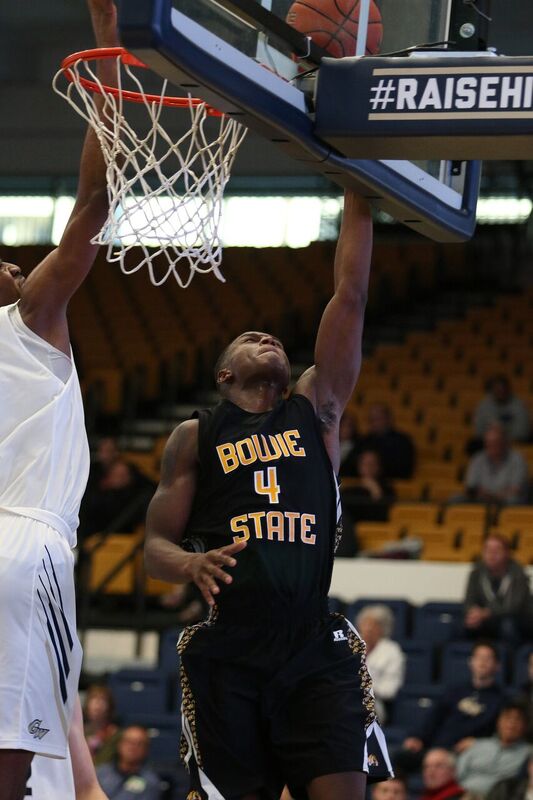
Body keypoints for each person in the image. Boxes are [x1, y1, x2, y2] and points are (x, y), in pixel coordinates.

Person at [144, 192, 393, 799]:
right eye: (249, 337)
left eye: (274, 338)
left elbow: (351, 298)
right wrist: (190, 562)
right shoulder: (195, 437)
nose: (267, 338)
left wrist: (358, 190)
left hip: (312, 642)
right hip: (230, 648)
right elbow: (153, 549)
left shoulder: (317, 413)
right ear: (223, 374)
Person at [0, 1, 118, 797]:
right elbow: (93, 209)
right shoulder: (29, 317)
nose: (15, 264)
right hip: (25, 546)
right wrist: (113, 36)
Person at [395, 642, 505, 773]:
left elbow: (499, 735)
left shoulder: (500, 700)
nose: (482, 662)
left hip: (465, 755)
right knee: (398, 758)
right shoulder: (455, 691)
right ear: (471, 662)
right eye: (478, 657)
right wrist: (418, 737)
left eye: (488, 658)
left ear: (497, 666)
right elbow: (434, 718)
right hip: (436, 748)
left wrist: (477, 744)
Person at [463, 534, 533, 642]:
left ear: (507, 553)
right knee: (464, 623)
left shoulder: (518, 574)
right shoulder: (476, 573)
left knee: (507, 625)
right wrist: (473, 612)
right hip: (486, 619)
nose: (492, 554)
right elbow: (469, 600)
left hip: (516, 620)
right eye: (488, 550)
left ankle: (509, 657)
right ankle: (474, 657)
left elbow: (513, 607)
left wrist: (486, 613)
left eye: (497, 550)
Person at [456, 703, 532, 797]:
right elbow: (458, 774)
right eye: (507, 718)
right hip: (463, 794)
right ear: (498, 721)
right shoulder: (477, 745)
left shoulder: (528, 753)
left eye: (518, 719)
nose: (511, 724)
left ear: (526, 725)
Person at [356, 604, 405, 723]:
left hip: (372, 704)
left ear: (383, 628)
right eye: (365, 623)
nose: (368, 628)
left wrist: (364, 687)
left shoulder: (392, 650)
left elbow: (390, 690)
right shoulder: (351, 645)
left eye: (374, 625)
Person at [463, 424, 529, 506]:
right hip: (482, 499)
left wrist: (495, 497)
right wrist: (483, 494)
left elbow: (516, 489)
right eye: (489, 443)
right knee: (457, 499)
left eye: (496, 442)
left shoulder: (517, 460)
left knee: (513, 500)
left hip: (506, 501)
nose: (492, 446)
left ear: (504, 442)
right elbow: (471, 487)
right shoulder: (477, 459)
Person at [96, 726, 161, 800]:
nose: (133, 747)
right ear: (120, 745)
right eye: (129, 742)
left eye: (139, 744)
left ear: (146, 750)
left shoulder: (151, 782)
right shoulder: (100, 773)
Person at [358, 403, 416, 479]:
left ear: (389, 418)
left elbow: (405, 467)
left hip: (391, 481)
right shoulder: (365, 441)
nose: (375, 423)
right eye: (372, 419)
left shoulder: (402, 441)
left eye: (379, 418)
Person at [473, 377, 530, 445]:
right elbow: (479, 430)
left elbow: (522, 431)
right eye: (497, 389)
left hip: (514, 442)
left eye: (503, 389)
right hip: (489, 442)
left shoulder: (519, 405)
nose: (500, 392)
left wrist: (503, 436)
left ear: (508, 390)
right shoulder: (484, 405)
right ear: (493, 390)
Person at [84, 684, 121, 766]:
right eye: (93, 699)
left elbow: (104, 762)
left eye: (103, 700)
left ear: (110, 707)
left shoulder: (114, 734)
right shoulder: (79, 731)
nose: (98, 704)